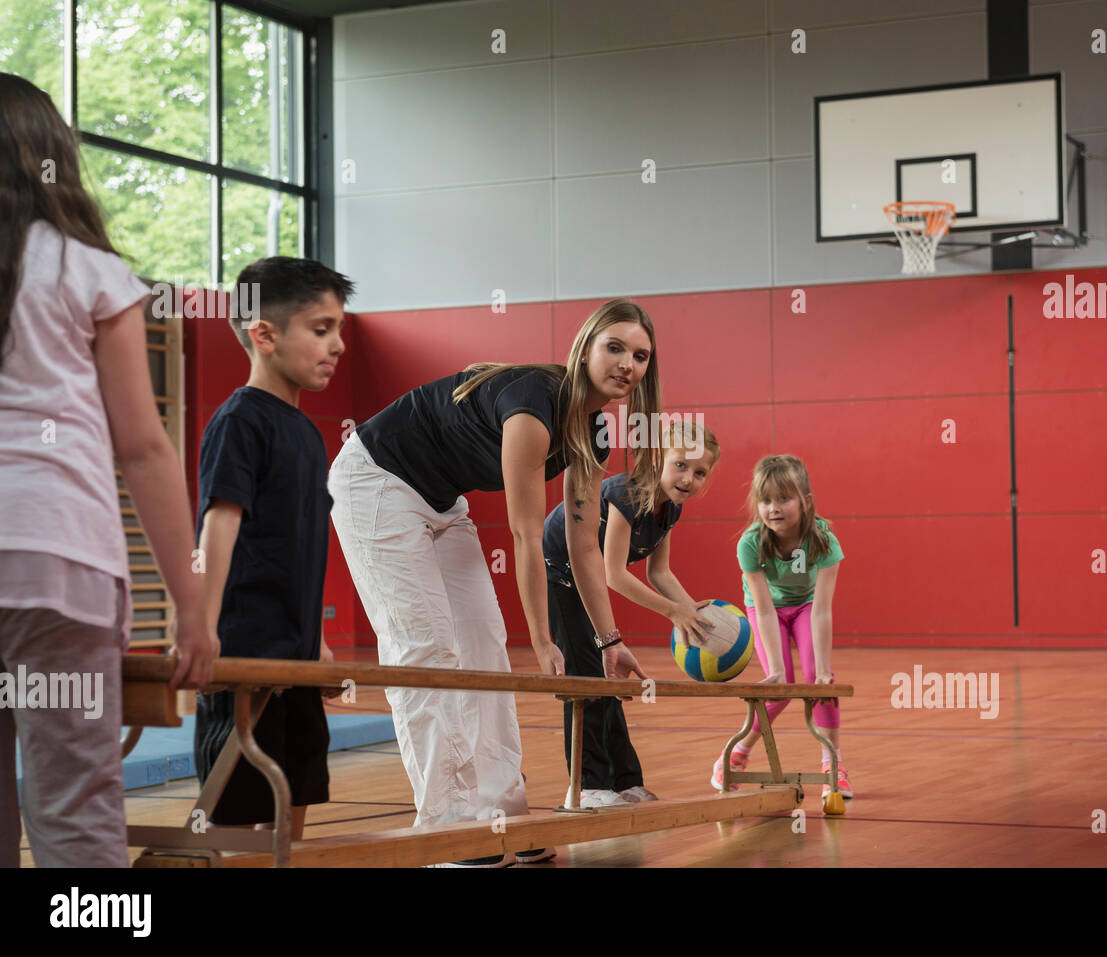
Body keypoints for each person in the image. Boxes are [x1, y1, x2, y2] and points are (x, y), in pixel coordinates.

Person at [329, 298, 660, 867]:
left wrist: (610, 641)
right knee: (425, 651)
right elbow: (527, 536)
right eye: (614, 347)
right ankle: (448, 828)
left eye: (640, 355)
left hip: (440, 502)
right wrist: (542, 639)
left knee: (484, 650)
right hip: (375, 482)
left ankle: (500, 814)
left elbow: (583, 548)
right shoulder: (533, 403)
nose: (627, 363)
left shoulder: (593, 436)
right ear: (584, 349)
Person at [0, 73, 217, 867]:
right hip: (58, 562)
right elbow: (142, 446)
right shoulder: (84, 267)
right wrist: (190, 607)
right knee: (75, 807)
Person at [192, 256, 352, 840]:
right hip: (245, 653)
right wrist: (204, 630)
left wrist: (320, 640)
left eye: (339, 329)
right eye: (320, 329)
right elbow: (219, 529)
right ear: (264, 334)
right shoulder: (240, 421)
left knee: (293, 803)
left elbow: (302, 551)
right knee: (240, 814)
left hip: (297, 657)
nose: (336, 345)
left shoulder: (308, 435)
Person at [543, 419, 720, 807]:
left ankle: (624, 781)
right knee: (586, 678)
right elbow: (614, 574)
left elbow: (660, 572)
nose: (689, 478)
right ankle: (588, 786)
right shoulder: (626, 493)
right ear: (657, 459)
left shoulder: (669, 509)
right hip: (559, 576)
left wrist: (692, 610)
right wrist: (674, 612)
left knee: (610, 679)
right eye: (681, 465)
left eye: (700, 472)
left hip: (587, 578)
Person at [710, 454, 851, 799]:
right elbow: (764, 607)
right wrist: (774, 669)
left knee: (822, 680)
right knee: (781, 684)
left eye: (783, 498)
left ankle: (832, 762)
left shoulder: (824, 541)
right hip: (767, 608)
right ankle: (737, 754)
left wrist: (821, 669)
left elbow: (821, 610)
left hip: (806, 607)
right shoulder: (750, 544)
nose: (773, 508)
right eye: (765, 500)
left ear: (805, 501)